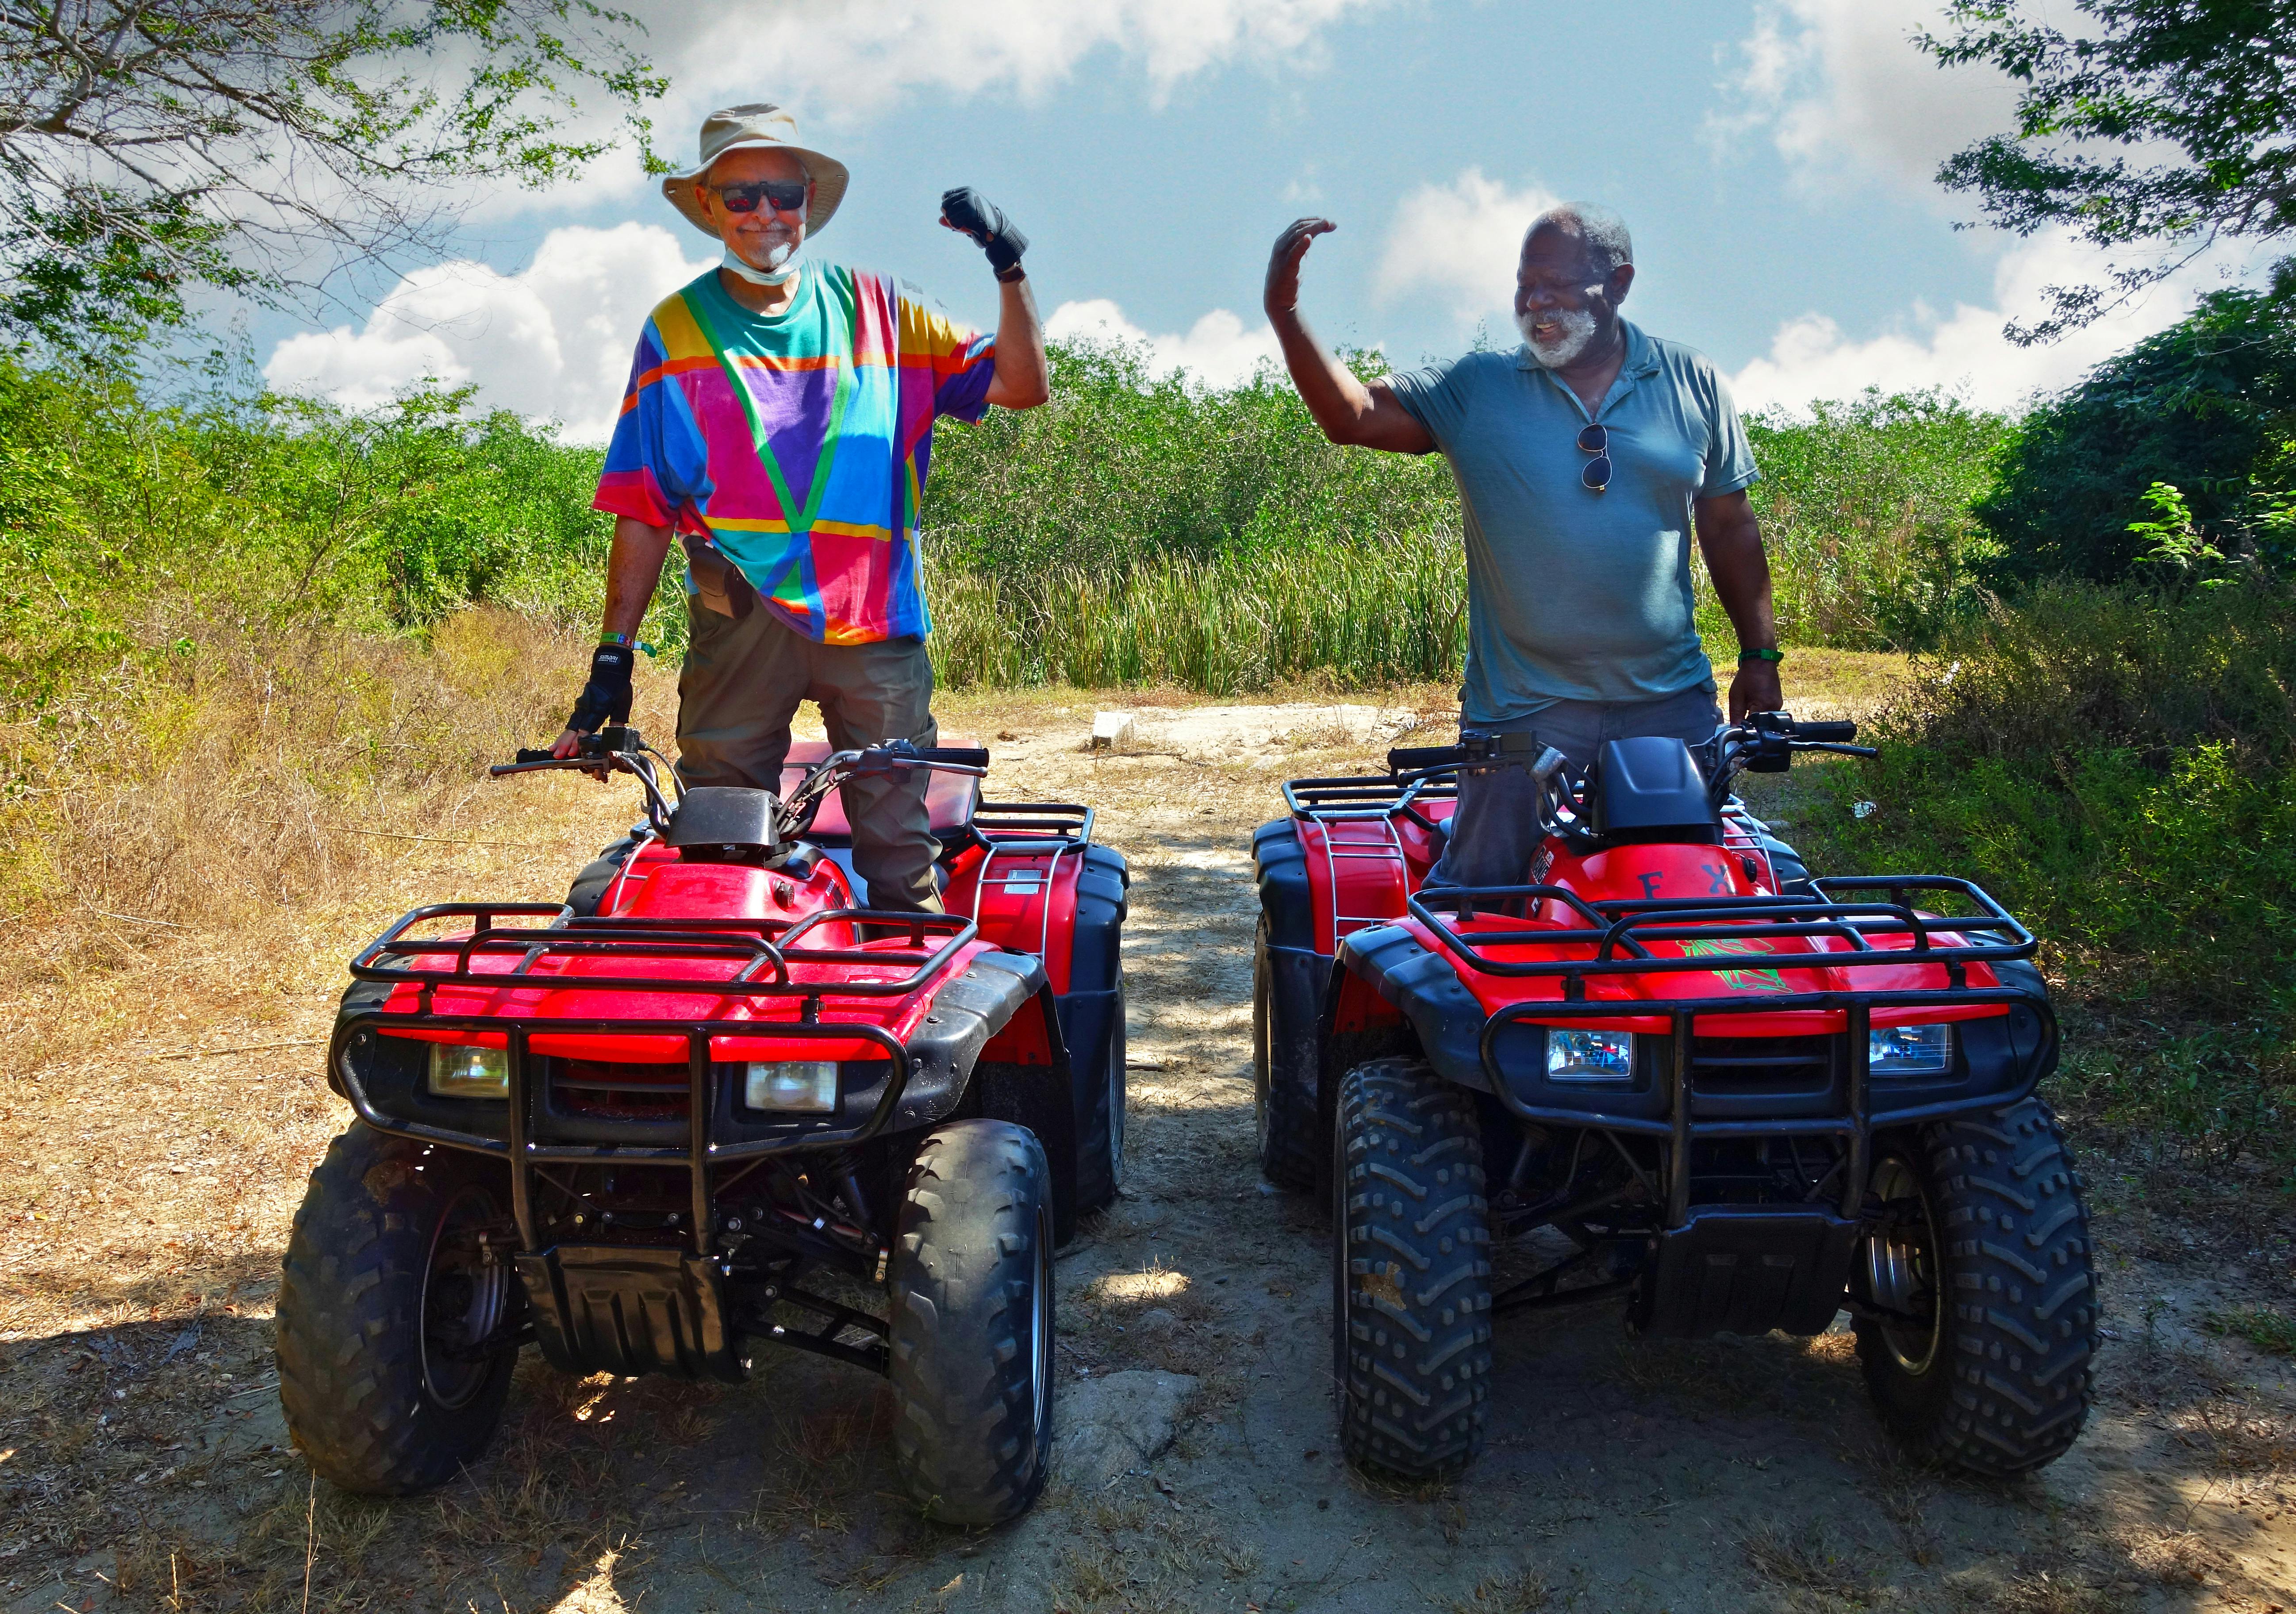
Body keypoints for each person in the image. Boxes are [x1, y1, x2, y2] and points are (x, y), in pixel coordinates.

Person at [553, 102, 1048, 911]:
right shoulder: (673, 331)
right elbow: (642, 505)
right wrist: (613, 659)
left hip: (872, 616)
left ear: (808, 200)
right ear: (708, 205)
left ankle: (896, 1018)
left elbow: (1022, 387)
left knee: (899, 859)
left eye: (780, 192)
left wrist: (1008, 264)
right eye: (739, 195)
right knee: (720, 841)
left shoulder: (886, 310)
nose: (763, 213)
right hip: (738, 618)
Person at [1263, 202, 1783, 888]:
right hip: (1522, 712)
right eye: (1523, 285)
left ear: (1618, 283)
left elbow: (1729, 526)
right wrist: (1286, 312)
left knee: (1688, 902)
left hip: (1669, 704)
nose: (1534, 302)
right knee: (1482, 907)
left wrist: (1759, 655)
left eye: (1556, 284)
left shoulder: (1691, 381)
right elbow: (1351, 416)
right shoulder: (1476, 387)